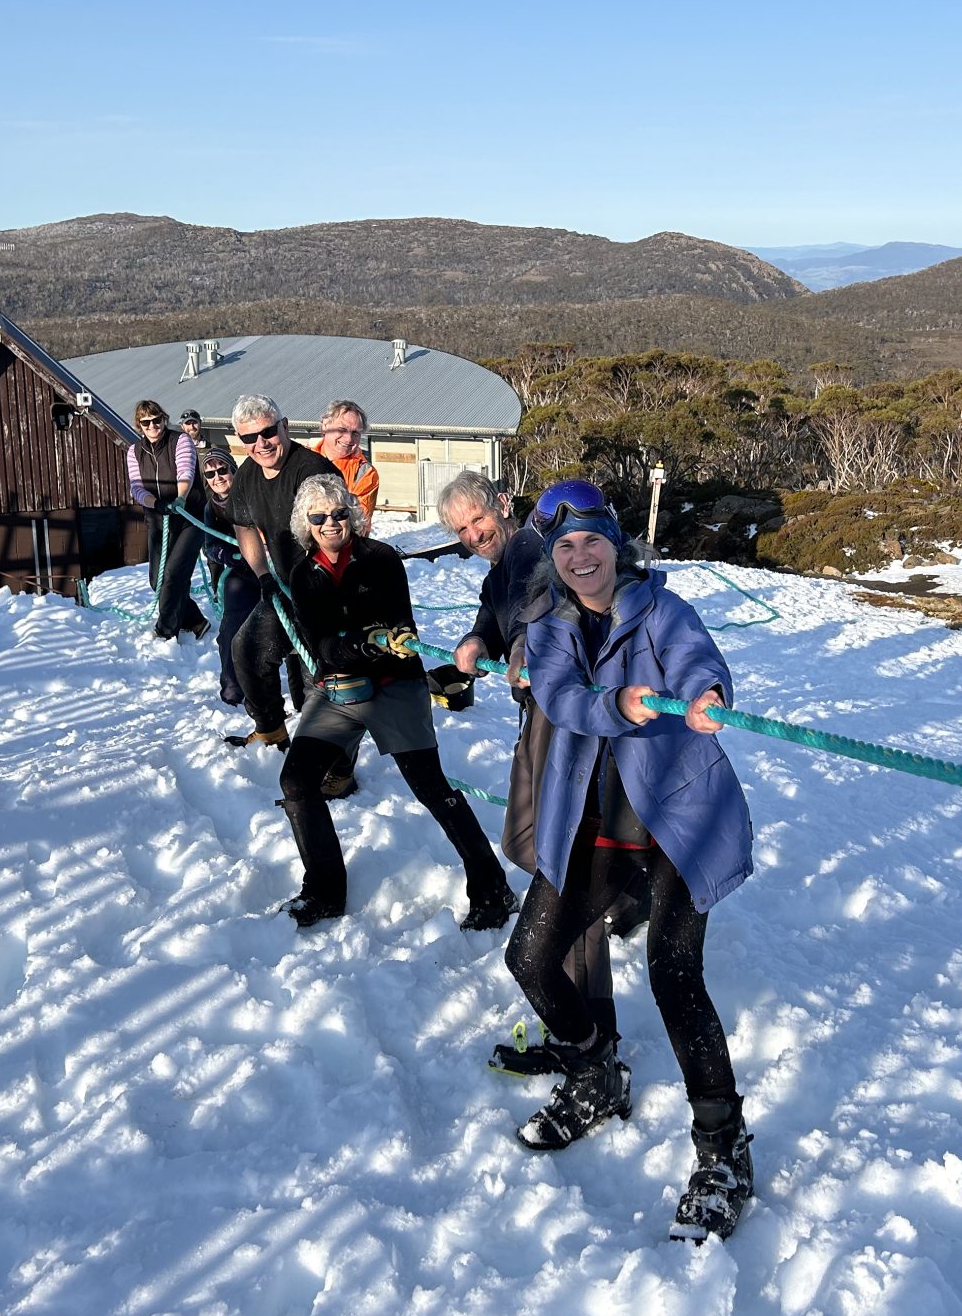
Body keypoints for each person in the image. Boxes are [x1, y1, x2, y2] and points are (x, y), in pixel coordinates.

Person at [506, 478, 757, 1243]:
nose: (583, 558)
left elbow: (696, 660)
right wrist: (619, 704)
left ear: (618, 545)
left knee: (673, 975)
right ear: (554, 558)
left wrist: (704, 692)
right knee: (531, 957)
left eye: (594, 542)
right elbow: (563, 699)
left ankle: (722, 1150)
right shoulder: (547, 628)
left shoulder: (662, 608)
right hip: (596, 828)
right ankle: (594, 1073)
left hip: (678, 823)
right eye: (567, 547)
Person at [435, 471, 646, 1076]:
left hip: (569, 728)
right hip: (544, 722)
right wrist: (478, 639)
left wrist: (526, 655)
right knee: (548, 860)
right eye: (462, 530)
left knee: (549, 859)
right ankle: (587, 1016)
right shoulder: (502, 565)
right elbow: (494, 608)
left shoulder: (535, 548)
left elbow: (552, 610)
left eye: (480, 520)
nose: (475, 535)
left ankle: (592, 1019)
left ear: (503, 506)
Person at [275, 473, 516, 931]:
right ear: (305, 524)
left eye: (340, 513)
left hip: (394, 686)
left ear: (353, 514)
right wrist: (362, 644)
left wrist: (378, 642)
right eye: (319, 517)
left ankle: (492, 890)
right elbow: (321, 646)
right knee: (297, 780)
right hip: (339, 691)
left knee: (430, 787)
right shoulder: (303, 574)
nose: (331, 523)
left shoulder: (381, 559)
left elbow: (397, 624)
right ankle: (324, 890)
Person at [221, 394, 342, 754]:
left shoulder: (313, 473)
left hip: (326, 591)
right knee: (246, 649)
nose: (261, 443)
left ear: (284, 427)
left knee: (316, 682)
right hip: (284, 587)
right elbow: (244, 526)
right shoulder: (246, 475)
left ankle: (334, 762)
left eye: (268, 432)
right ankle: (271, 730)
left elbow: (338, 534)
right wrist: (262, 575)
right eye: (249, 438)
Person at [125, 397, 208, 642]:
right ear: (139, 425)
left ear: (164, 419)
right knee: (157, 580)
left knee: (173, 575)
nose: (153, 426)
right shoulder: (135, 452)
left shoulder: (179, 441)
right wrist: (156, 504)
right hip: (158, 516)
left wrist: (180, 498)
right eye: (146, 422)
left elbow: (185, 471)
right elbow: (137, 487)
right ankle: (195, 621)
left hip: (188, 516)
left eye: (157, 420)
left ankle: (165, 632)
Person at [197, 448, 259, 706]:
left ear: (233, 470)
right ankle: (233, 688)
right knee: (231, 630)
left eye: (222, 470)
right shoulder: (211, 507)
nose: (217, 477)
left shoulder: (253, 496)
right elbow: (209, 543)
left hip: (269, 567)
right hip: (238, 571)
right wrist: (228, 554)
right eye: (210, 473)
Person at [315, 399, 380, 522]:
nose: (349, 439)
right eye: (342, 429)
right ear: (325, 426)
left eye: (355, 433)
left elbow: (358, 523)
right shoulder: (302, 458)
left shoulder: (364, 473)